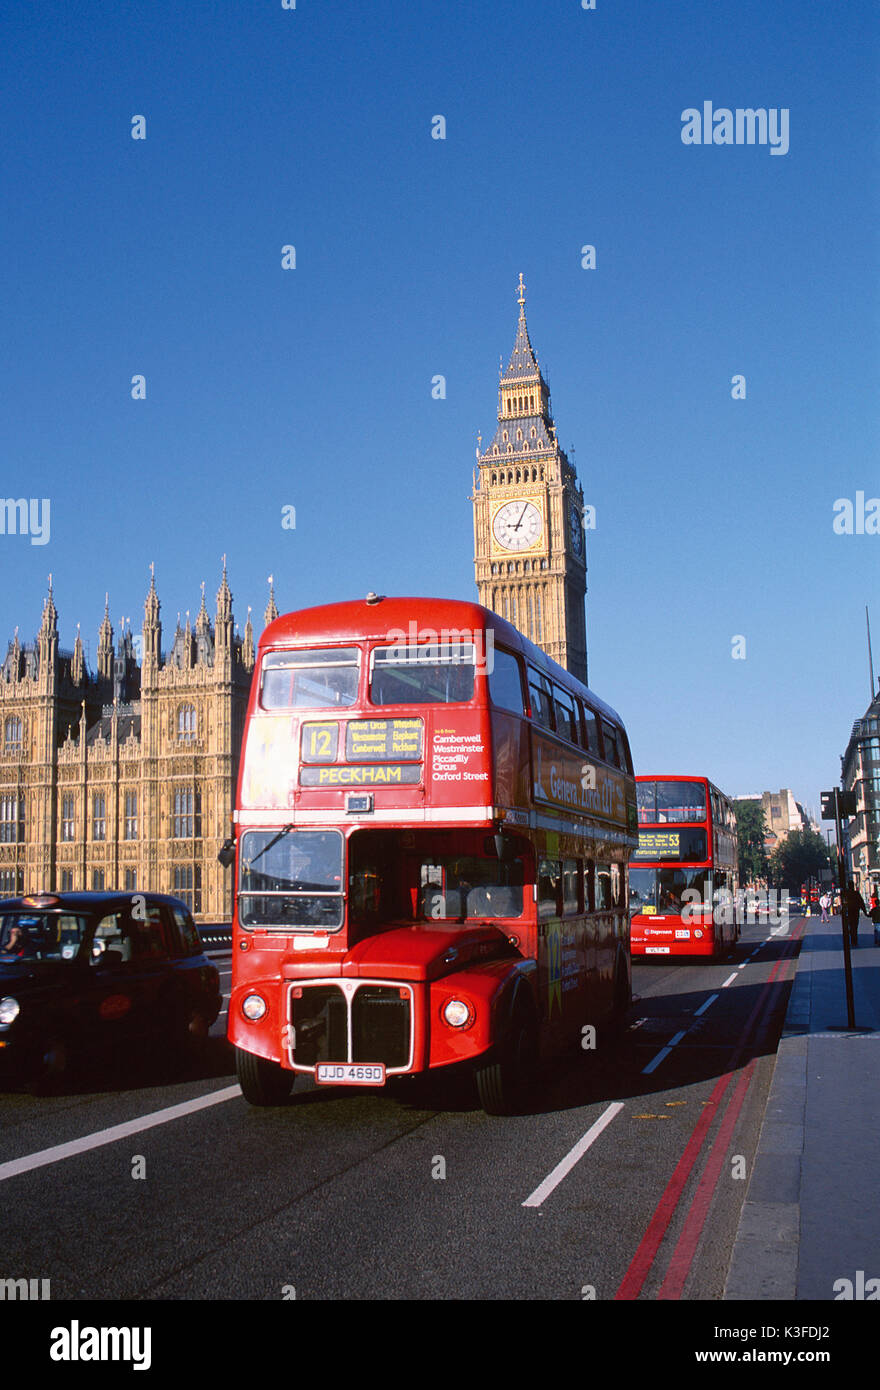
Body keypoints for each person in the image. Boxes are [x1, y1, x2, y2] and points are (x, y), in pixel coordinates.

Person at [842, 881, 868, 948]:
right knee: (855, 926)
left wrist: (843, 910)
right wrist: (865, 912)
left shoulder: (846, 893)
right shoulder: (856, 893)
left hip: (849, 912)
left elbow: (844, 903)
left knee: (850, 925)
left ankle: (852, 937)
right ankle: (854, 940)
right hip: (855, 912)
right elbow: (861, 903)